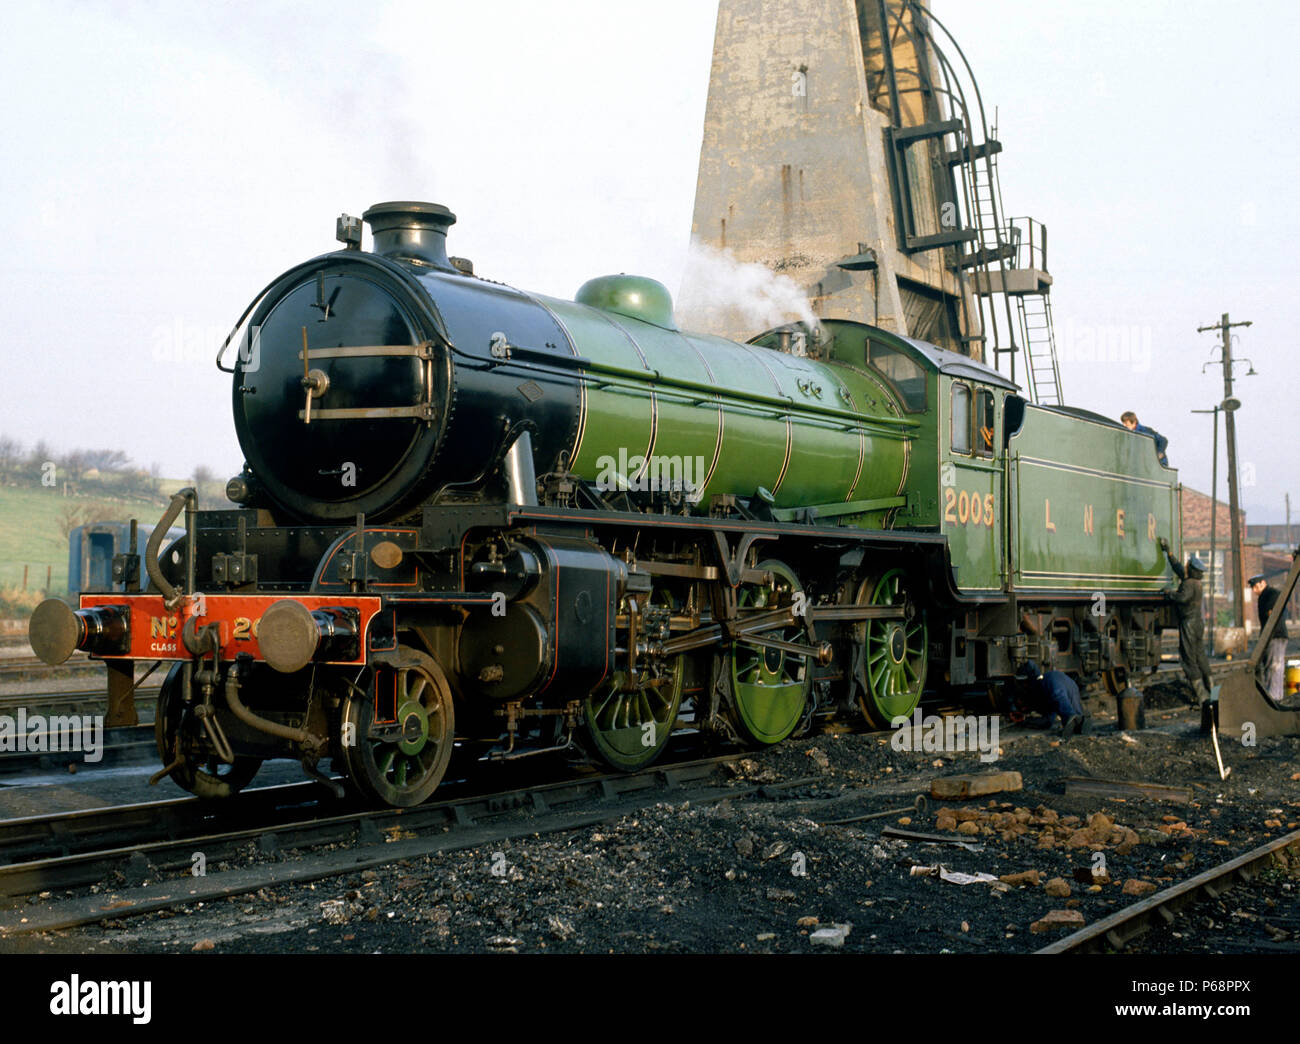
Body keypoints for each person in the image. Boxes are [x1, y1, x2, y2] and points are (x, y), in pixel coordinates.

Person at [1160, 538, 1214, 722]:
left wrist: (1169, 594)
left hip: (1189, 624)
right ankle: (1213, 693)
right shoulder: (1195, 582)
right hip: (1197, 623)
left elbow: (1182, 598)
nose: (1185, 567)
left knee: (1188, 659)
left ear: (1192, 569)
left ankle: (1203, 697)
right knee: (1200, 657)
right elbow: (1178, 569)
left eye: (1187, 565)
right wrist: (1169, 553)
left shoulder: (1190, 584)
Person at [1015, 660, 1087, 739]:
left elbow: (1047, 720)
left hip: (1054, 684)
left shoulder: (1035, 692)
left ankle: (1071, 717)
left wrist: (1024, 721)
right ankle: (1080, 720)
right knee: (1075, 710)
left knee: (1065, 708)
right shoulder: (1039, 681)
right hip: (1070, 683)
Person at [1248, 573, 1289, 701]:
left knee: (1274, 667)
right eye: (1253, 587)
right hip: (1269, 637)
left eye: (1256, 586)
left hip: (1275, 636)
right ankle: (1274, 696)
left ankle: (1274, 698)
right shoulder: (1263, 596)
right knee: (1271, 667)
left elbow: (1272, 615)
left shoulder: (1272, 594)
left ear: (1263, 583)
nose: (1254, 590)